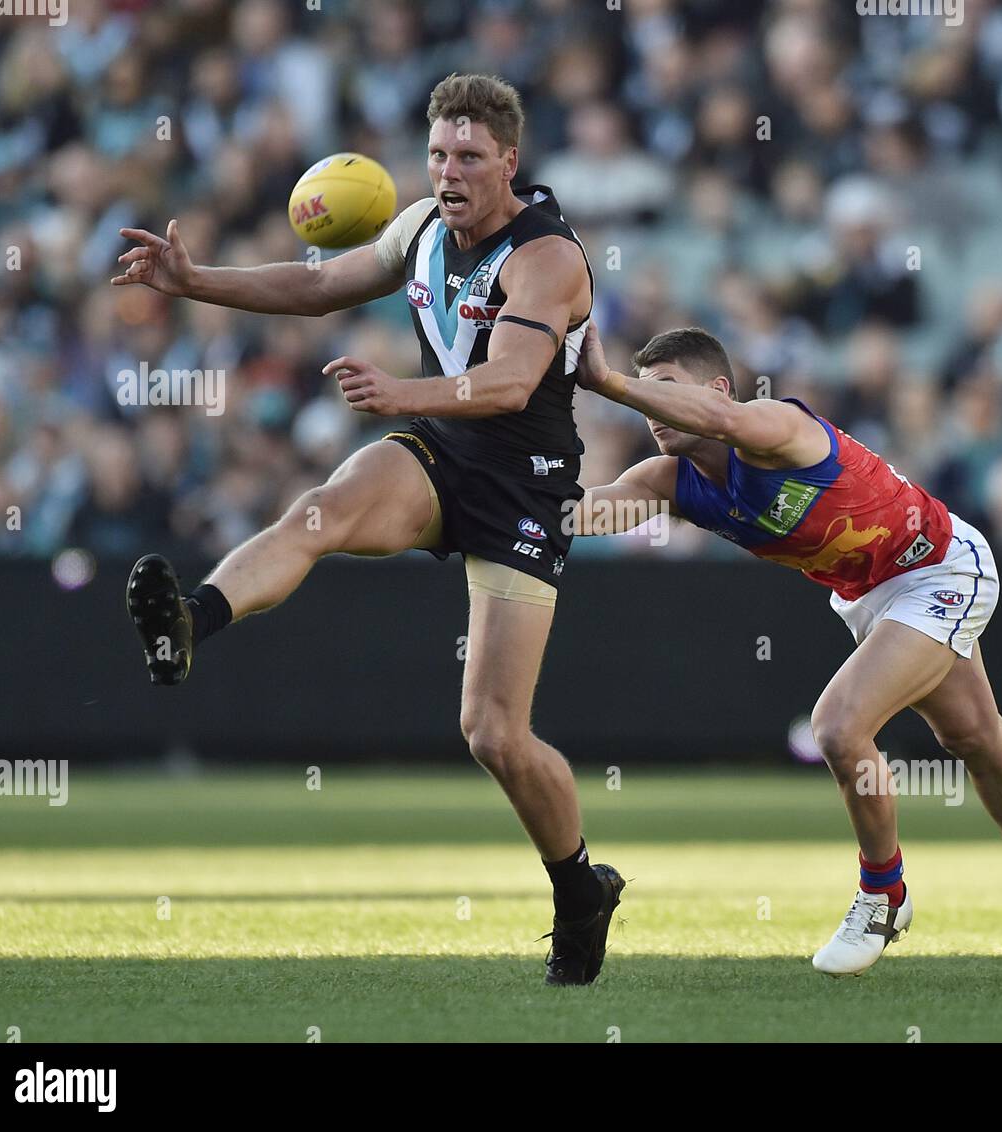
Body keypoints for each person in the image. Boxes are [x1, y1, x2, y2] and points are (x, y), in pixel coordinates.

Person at [113, 73, 623, 986]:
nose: (450, 171)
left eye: (469, 157)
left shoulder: (547, 257)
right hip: (437, 451)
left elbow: (509, 383)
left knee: (494, 734)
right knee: (316, 513)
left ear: (510, 161)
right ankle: (192, 620)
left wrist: (399, 392)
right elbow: (319, 286)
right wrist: (197, 283)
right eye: (437, 154)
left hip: (523, 487)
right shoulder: (422, 225)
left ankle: (579, 889)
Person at [572, 323, 1002, 977]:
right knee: (972, 734)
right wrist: (478, 497)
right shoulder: (668, 481)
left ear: (715, 391)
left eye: (666, 391)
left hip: (937, 565)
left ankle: (884, 895)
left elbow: (721, 418)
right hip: (871, 596)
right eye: (645, 395)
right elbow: (579, 516)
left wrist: (612, 382)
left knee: (838, 726)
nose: (652, 409)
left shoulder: (773, 428)